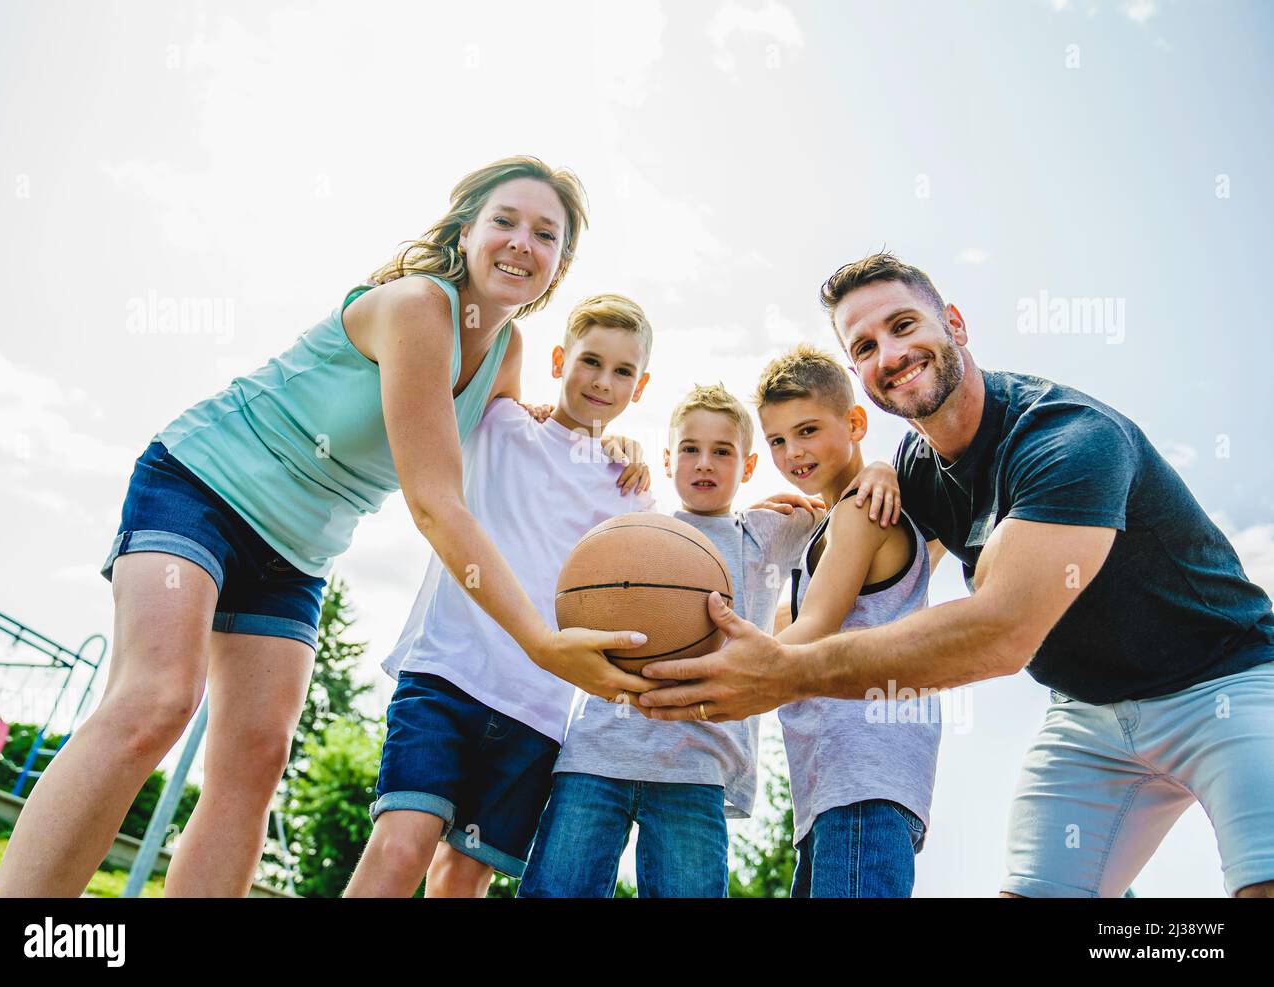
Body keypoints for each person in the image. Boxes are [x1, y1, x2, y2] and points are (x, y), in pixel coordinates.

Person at [0, 157, 654, 898]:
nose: (521, 243)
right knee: (157, 699)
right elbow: (436, 503)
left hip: (297, 552)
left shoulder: (508, 351)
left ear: (560, 264)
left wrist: (604, 443)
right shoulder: (416, 307)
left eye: (546, 233)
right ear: (467, 230)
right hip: (204, 486)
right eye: (504, 220)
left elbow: (518, 436)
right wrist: (540, 640)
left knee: (255, 757)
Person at [639, 252, 1274, 899]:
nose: (889, 352)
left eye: (904, 325)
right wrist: (876, 472)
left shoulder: (1068, 440)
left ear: (956, 325)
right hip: (1089, 710)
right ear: (859, 374)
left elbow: (1000, 632)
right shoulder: (907, 470)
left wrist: (771, 671)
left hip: (1223, 682)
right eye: (864, 344)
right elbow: (866, 548)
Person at [344, 294, 657, 897]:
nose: (603, 381)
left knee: (464, 877)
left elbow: (663, 584)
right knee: (402, 842)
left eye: (623, 372)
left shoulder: (631, 495)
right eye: (590, 361)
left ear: (640, 387)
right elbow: (467, 363)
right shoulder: (499, 422)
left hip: (537, 708)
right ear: (560, 359)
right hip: (445, 674)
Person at [517, 383, 823, 898]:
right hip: (598, 752)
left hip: (696, 765)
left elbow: (854, 506)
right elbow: (563, 467)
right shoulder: (633, 526)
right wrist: (549, 414)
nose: (704, 463)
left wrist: (875, 474)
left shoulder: (766, 533)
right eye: (690, 449)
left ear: (747, 467)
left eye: (722, 452)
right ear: (668, 459)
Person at [756, 345, 940, 898]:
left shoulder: (862, 511)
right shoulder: (835, 519)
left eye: (807, 430)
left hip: (862, 783)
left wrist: (707, 676)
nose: (793, 452)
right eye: (777, 441)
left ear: (855, 422)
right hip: (829, 791)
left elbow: (812, 629)